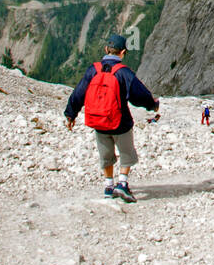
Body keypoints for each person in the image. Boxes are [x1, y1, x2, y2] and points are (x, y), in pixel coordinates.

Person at [65, 34, 159, 202]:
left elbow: (79, 92)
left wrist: (71, 113)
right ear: (122, 52)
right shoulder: (123, 72)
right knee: (126, 152)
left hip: (98, 121)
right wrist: (152, 105)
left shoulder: (93, 69)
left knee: (106, 154)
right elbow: (139, 95)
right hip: (120, 122)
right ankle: (122, 184)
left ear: (106, 50)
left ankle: (109, 186)